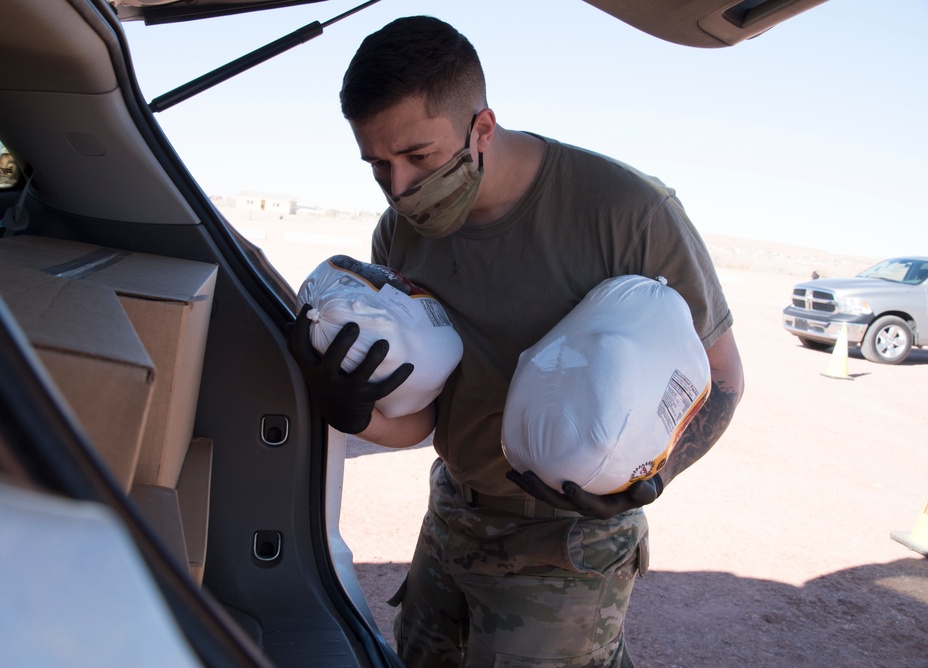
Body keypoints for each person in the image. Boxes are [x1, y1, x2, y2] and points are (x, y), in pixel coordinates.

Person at [290, 15, 744, 667]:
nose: (400, 188)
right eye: (378, 165)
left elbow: (722, 377)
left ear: (482, 127)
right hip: (453, 513)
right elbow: (429, 417)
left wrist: (654, 477)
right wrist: (356, 412)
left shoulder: (627, 213)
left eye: (419, 157)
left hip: (567, 545)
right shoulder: (400, 232)